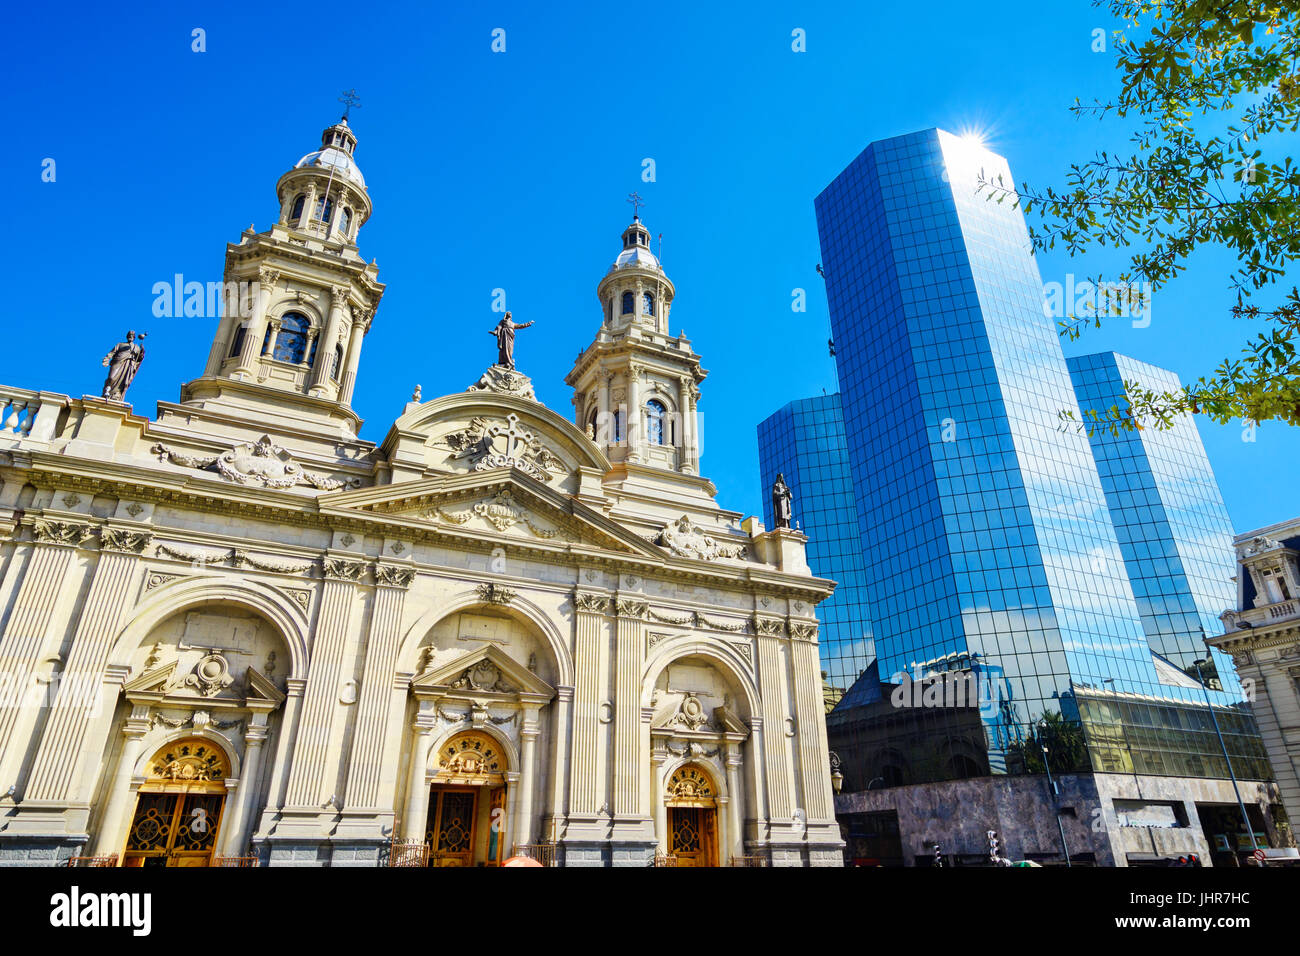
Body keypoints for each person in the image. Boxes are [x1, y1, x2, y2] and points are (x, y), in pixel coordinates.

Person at [101, 330, 146, 402]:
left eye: (132, 336)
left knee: (124, 382)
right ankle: (107, 390)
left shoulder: (136, 347)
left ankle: (116, 394)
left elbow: (139, 358)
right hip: (118, 362)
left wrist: (142, 351)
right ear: (127, 336)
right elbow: (112, 353)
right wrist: (106, 359)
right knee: (111, 378)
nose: (130, 337)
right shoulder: (120, 344)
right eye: (129, 335)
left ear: (134, 337)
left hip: (129, 364)